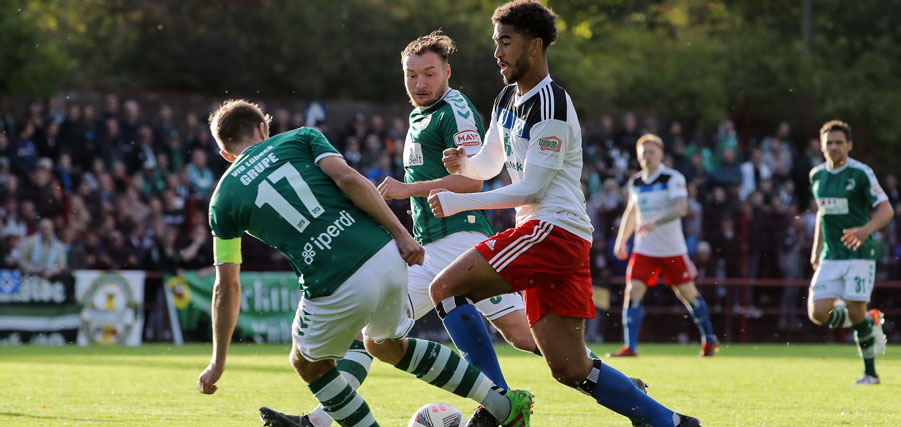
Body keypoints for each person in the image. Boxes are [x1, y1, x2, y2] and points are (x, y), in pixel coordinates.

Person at [427, 2, 699, 426]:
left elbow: (533, 189)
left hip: (551, 231)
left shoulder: (551, 104)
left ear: (534, 46)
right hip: (553, 237)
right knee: (569, 368)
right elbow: (489, 165)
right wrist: (464, 165)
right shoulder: (506, 97)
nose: (496, 52)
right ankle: (670, 422)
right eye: (495, 42)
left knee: (445, 288)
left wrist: (460, 201)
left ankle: (497, 406)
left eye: (506, 42)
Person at [195, 100, 533, 427]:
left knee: (308, 363)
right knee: (383, 344)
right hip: (384, 253)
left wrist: (218, 362)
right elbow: (350, 180)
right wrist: (401, 235)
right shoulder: (301, 137)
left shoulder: (222, 201)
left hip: (332, 278)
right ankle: (503, 405)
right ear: (262, 129)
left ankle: (321, 422)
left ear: (225, 154)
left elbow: (227, 287)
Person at [273, 29, 548, 427]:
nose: (420, 84)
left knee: (374, 329)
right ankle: (603, 378)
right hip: (443, 241)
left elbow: (473, 181)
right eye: (412, 75)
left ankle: (317, 421)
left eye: (430, 74)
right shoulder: (422, 114)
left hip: (457, 238)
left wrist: (407, 190)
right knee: (522, 335)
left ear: (448, 73)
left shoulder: (455, 109)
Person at [608, 134, 718, 358]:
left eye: (651, 152)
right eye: (643, 154)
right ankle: (631, 346)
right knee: (633, 290)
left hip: (672, 248)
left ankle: (708, 339)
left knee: (686, 292)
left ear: (661, 154)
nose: (647, 157)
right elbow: (632, 211)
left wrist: (655, 221)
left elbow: (680, 207)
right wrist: (621, 241)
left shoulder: (672, 178)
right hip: (644, 249)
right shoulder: (635, 182)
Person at [807, 120, 892, 385]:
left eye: (839, 142)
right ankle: (869, 320)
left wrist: (866, 230)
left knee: (855, 311)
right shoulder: (816, 176)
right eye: (829, 143)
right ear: (822, 147)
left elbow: (886, 209)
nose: (834, 147)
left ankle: (870, 373)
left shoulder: (861, 173)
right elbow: (822, 212)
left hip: (859, 253)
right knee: (818, 312)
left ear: (849, 145)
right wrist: (816, 248)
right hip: (830, 255)